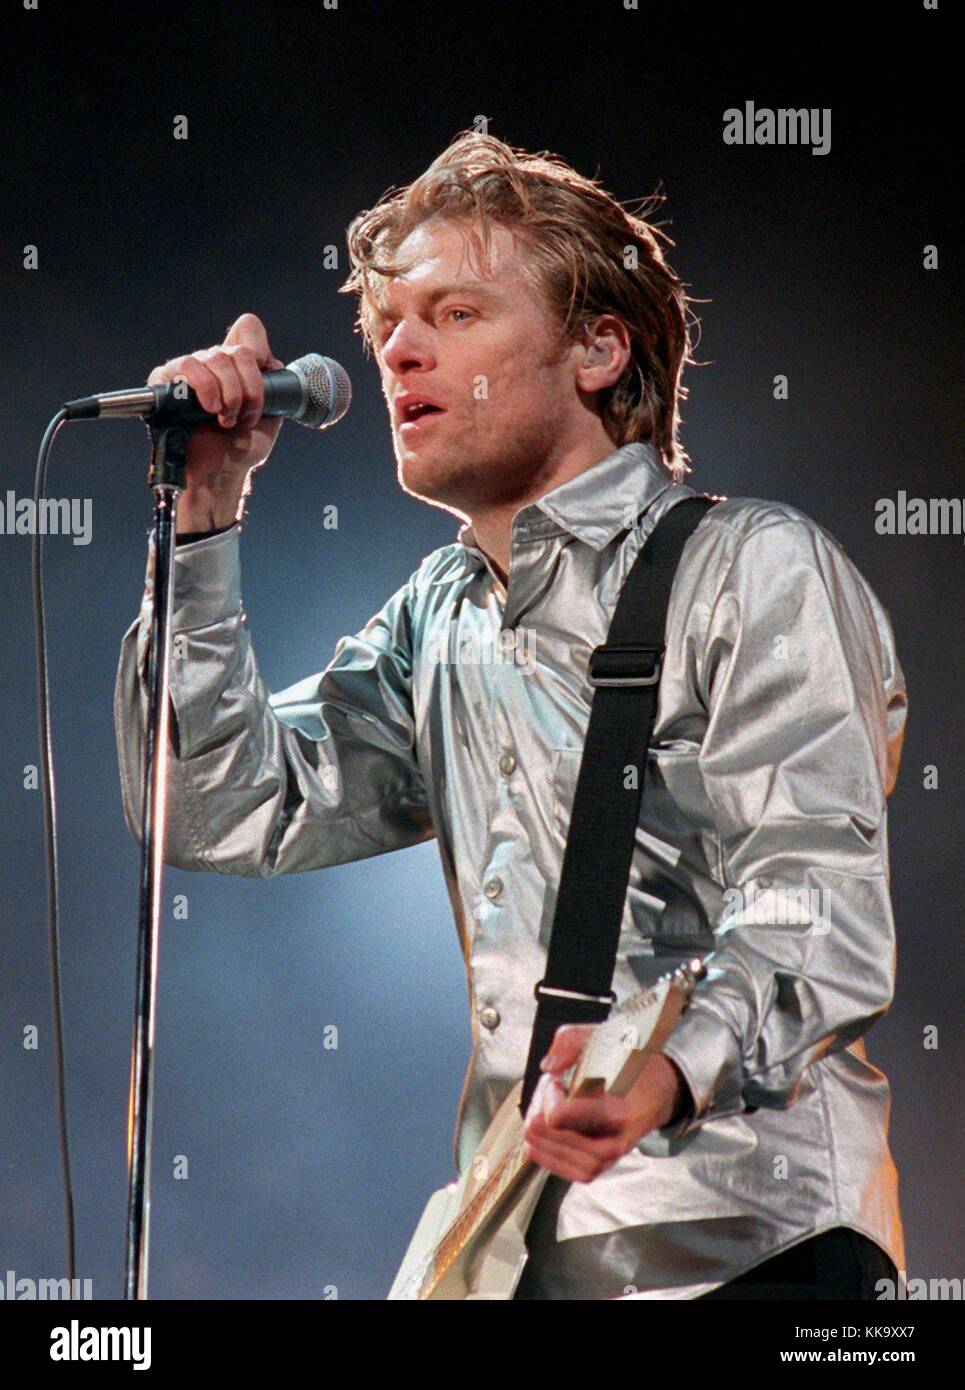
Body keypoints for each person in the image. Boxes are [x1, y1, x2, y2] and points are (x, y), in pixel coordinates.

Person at [114, 131, 908, 1300]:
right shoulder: (438, 617)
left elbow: (818, 898)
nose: (397, 348)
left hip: (753, 1253)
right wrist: (205, 512)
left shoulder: (748, 567)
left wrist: (668, 1065)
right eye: (387, 323)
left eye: (454, 313)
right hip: (521, 1258)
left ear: (596, 348)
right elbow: (216, 805)